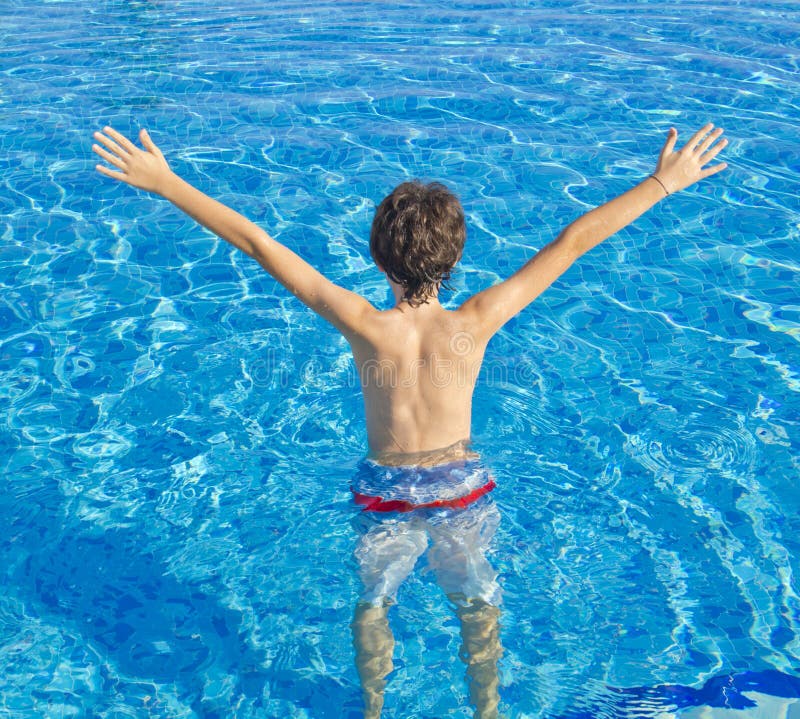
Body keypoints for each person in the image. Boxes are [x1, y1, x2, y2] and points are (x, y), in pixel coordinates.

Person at [92, 123, 728, 718]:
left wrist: (166, 182)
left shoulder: (363, 324)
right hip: (461, 485)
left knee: (375, 603)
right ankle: (487, 709)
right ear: (454, 259)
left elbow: (260, 243)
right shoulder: (477, 320)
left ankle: (372, 708)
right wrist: (664, 181)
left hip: (387, 492)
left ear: (376, 257)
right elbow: (573, 241)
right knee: (478, 602)